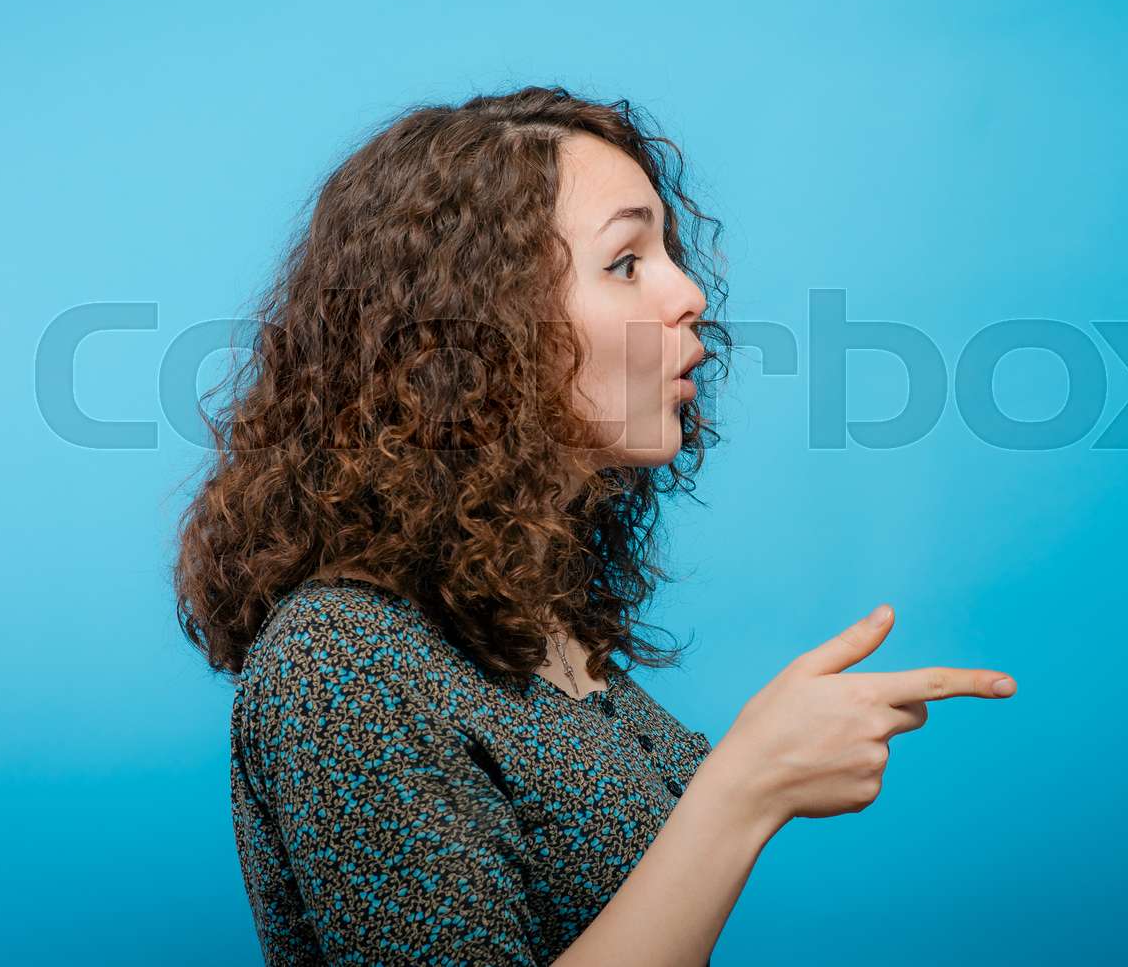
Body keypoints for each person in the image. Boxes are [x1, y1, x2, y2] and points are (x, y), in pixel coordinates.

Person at [172, 86, 1018, 965]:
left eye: (669, 253)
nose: (689, 293)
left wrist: (775, 755)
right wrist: (746, 786)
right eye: (625, 262)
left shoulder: (531, 617)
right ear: (479, 332)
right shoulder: (345, 659)